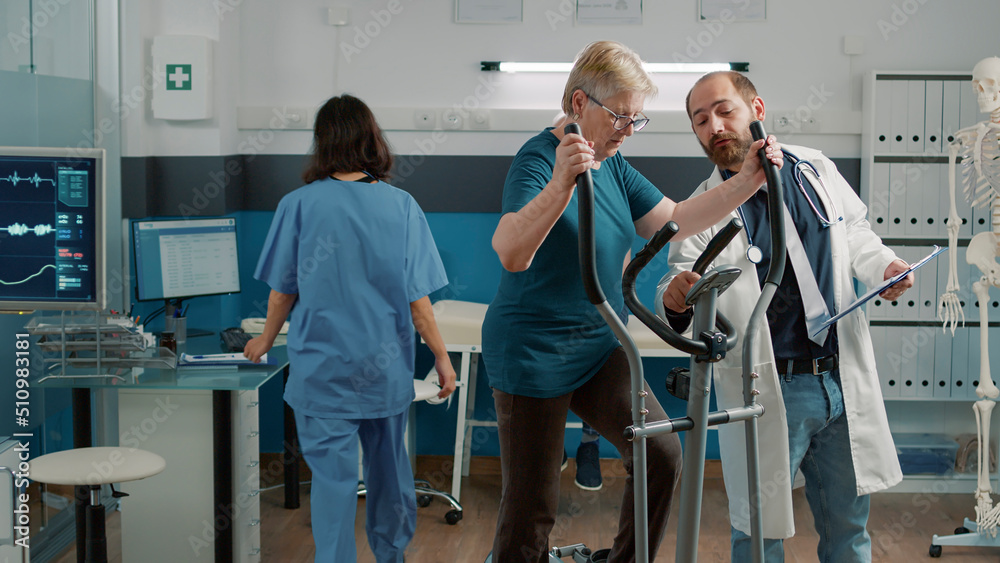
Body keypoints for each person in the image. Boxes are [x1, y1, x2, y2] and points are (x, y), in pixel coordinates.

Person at [482, 41, 782, 562]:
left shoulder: (615, 164)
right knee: (532, 509)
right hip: (532, 353)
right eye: (621, 116)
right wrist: (560, 184)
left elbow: (678, 218)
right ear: (579, 105)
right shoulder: (537, 159)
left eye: (636, 120)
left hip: (599, 346)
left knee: (660, 453)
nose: (626, 129)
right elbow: (510, 252)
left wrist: (749, 178)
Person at [656, 71, 913, 562]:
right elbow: (677, 279)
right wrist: (675, 297)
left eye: (724, 110)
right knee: (758, 533)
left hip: (839, 377)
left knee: (849, 528)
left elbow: (854, 232)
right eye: (700, 119)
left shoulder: (812, 168)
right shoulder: (701, 208)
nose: (714, 126)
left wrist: (885, 266)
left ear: (757, 109)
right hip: (770, 388)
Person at [243, 94, 457, 563]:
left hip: (323, 375)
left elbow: (283, 292)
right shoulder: (401, 207)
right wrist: (441, 358)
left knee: (334, 484)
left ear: (322, 144)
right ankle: (391, 556)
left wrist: (262, 340)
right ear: (371, 139)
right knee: (389, 474)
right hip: (383, 372)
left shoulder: (298, 205)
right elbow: (418, 304)